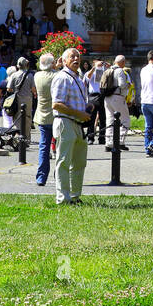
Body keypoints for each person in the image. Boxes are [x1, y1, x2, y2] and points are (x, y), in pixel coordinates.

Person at [50, 48, 90, 204]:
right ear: (64, 60)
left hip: (78, 124)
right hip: (66, 122)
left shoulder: (77, 78)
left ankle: (75, 196)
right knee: (64, 162)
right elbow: (56, 104)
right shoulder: (62, 77)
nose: (76, 59)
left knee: (79, 163)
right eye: (72, 56)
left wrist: (86, 109)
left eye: (78, 56)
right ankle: (63, 198)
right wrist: (79, 114)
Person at [33, 52, 57, 186]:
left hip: (42, 115)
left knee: (44, 146)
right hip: (56, 115)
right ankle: (58, 175)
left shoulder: (37, 75)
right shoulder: (57, 75)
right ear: (52, 64)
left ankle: (41, 177)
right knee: (59, 147)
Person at [101, 55, 133, 150]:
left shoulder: (108, 70)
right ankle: (120, 142)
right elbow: (122, 85)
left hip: (107, 97)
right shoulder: (120, 71)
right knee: (125, 120)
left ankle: (109, 143)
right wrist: (128, 85)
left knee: (110, 120)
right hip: (118, 97)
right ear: (122, 62)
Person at [4, 56, 35, 141]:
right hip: (27, 99)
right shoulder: (30, 75)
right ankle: (27, 138)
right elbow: (33, 89)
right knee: (28, 118)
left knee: (17, 118)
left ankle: (17, 138)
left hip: (17, 99)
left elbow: (9, 89)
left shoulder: (14, 75)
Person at [82, 59, 107, 143]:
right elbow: (88, 77)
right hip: (92, 96)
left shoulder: (104, 71)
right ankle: (90, 137)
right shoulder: (90, 72)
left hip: (102, 95)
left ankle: (102, 138)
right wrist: (94, 68)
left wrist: (107, 66)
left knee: (103, 118)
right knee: (91, 119)